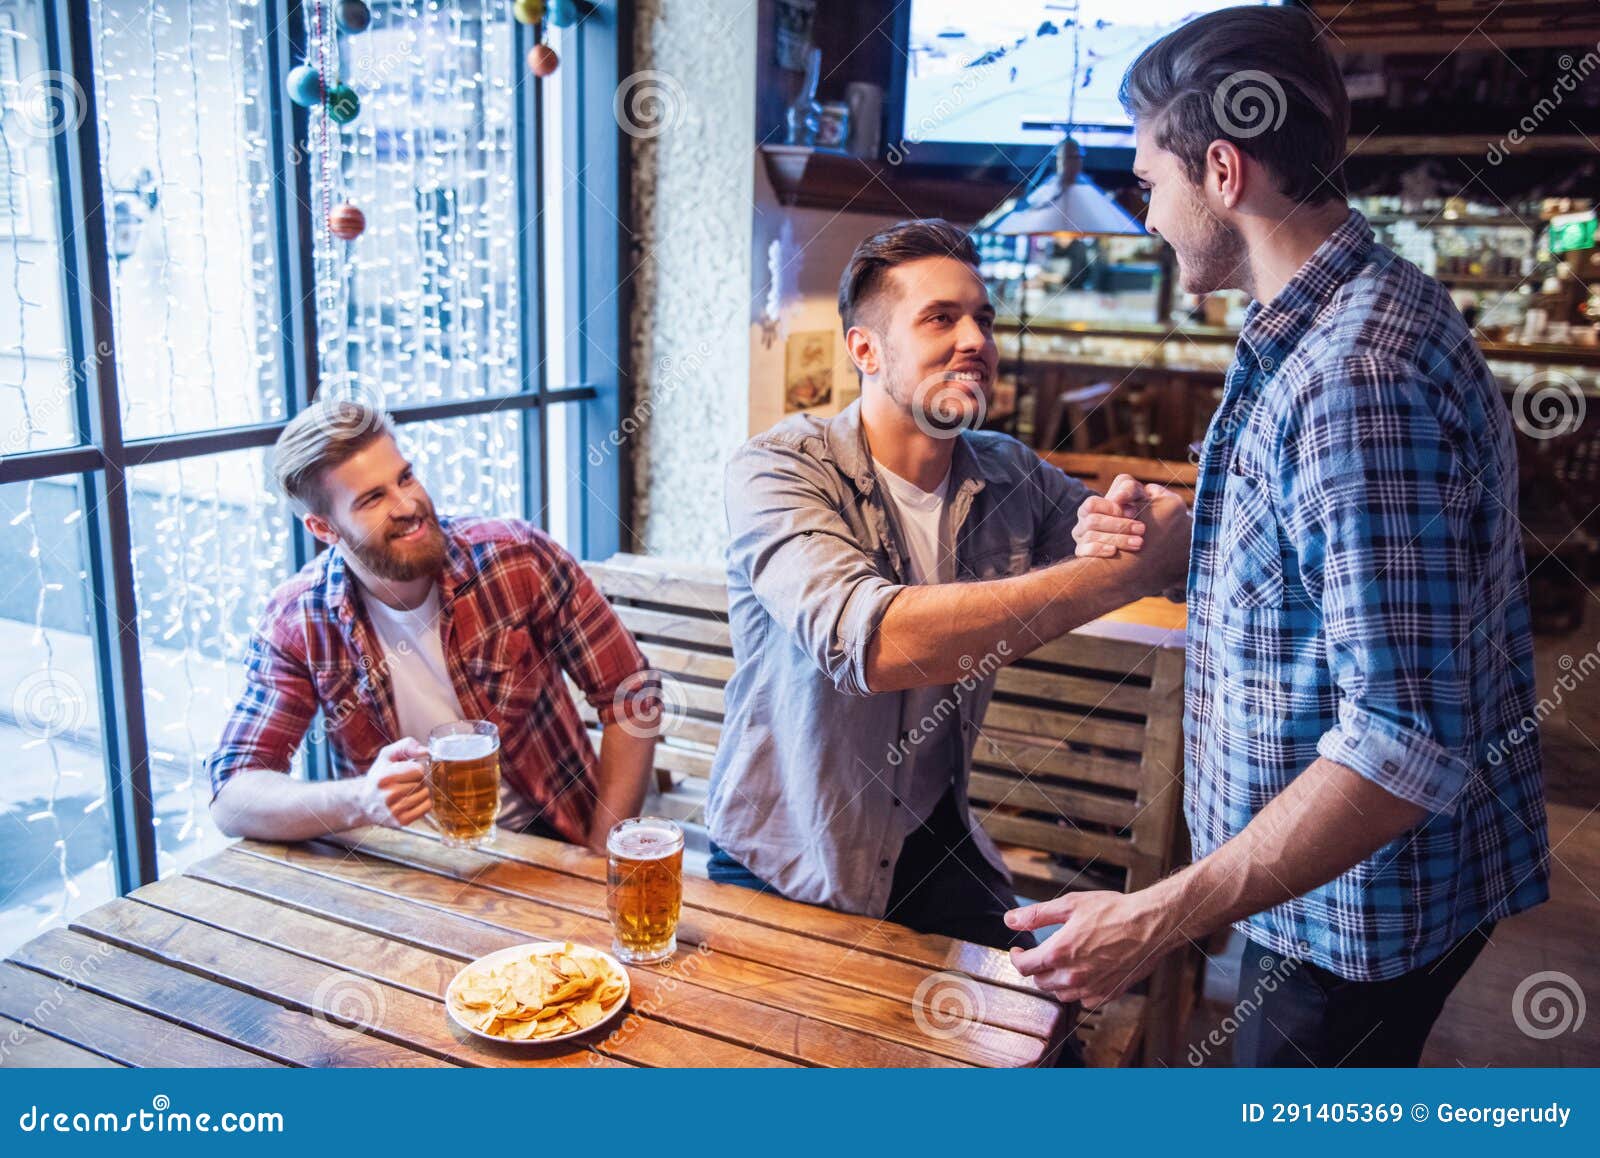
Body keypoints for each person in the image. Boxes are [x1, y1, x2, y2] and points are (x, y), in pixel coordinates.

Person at [1013, 5, 1550, 1066]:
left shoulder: (1353, 374)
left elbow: (1402, 741)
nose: (1146, 213)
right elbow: (1338, 569)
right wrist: (1202, 533)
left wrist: (1156, 915)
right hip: (1319, 891)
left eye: (1147, 181)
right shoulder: (1344, 311)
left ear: (1220, 171)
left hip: (1350, 913)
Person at [704, 217, 1191, 952]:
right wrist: (1118, 576)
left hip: (932, 838)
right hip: (788, 860)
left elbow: (1142, 543)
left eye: (983, 320)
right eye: (941, 318)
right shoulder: (779, 471)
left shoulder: (1007, 471)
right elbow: (871, 645)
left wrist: (1147, 525)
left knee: (1053, 1043)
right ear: (864, 349)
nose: (976, 341)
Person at [206, 402, 660, 852]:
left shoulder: (515, 557)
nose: (407, 505)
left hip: (545, 844)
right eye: (372, 499)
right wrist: (360, 800)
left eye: (404, 477)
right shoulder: (299, 618)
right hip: (400, 862)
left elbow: (630, 692)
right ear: (323, 528)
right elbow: (233, 796)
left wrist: (604, 856)